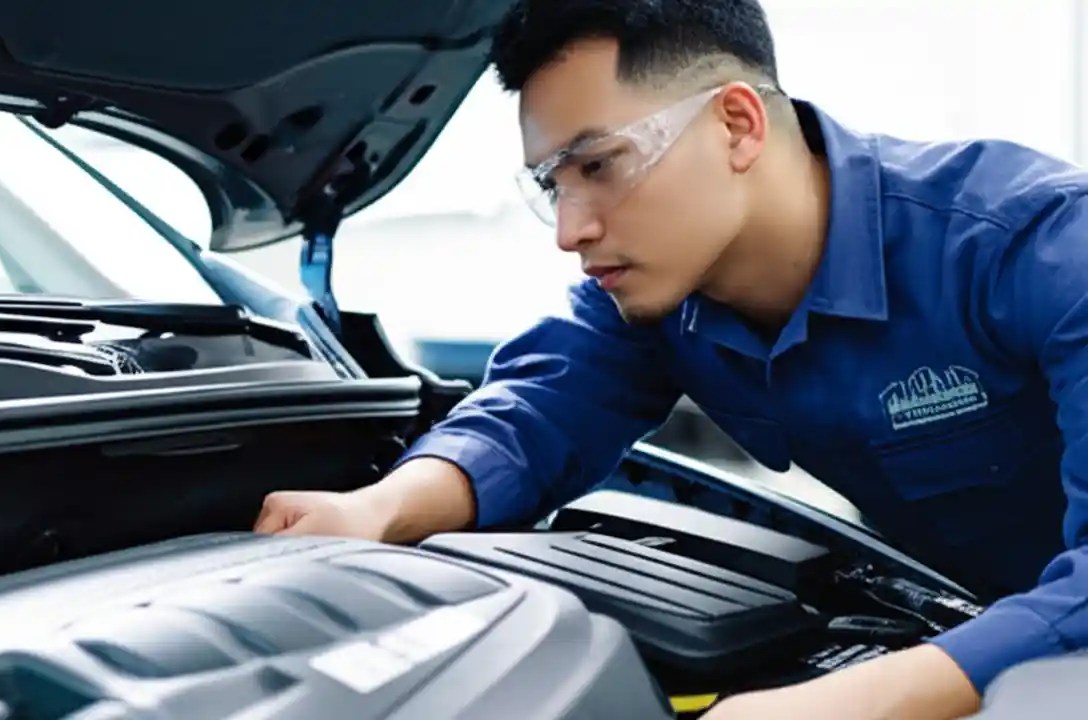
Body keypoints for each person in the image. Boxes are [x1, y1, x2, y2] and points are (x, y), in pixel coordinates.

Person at [255, 1, 1088, 717]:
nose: (569, 228)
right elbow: (535, 411)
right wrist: (375, 512)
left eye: (598, 164)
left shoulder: (1035, 248)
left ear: (737, 124)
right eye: (552, 183)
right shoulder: (664, 299)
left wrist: (873, 695)